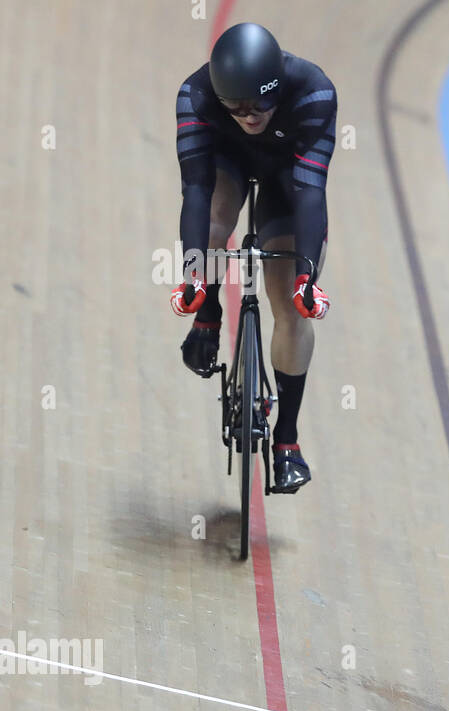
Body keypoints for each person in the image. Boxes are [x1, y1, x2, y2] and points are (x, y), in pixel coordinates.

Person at [169, 22, 336, 492]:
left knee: (289, 306)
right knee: (217, 217)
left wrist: (307, 278)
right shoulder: (196, 97)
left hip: (290, 180)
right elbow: (196, 191)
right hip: (228, 164)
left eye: (258, 105)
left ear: (276, 89)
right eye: (235, 108)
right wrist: (193, 276)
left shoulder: (314, 92)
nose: (248, 116)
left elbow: (309, 192)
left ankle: (287, 440)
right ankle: (208, 315)